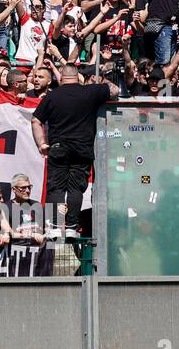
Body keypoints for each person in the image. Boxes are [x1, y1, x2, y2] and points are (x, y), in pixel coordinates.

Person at [30, 65, 119, 236]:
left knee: (56, 188)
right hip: (82, 148)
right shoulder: (91, 91)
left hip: (58, 147)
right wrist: (100, 80)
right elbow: (115, 90)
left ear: (61, 77)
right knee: (75, 188)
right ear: (77, 76)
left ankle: (55, 227)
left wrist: (41, 144)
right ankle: (71, 227)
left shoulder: (52, 95)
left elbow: (35, 120)